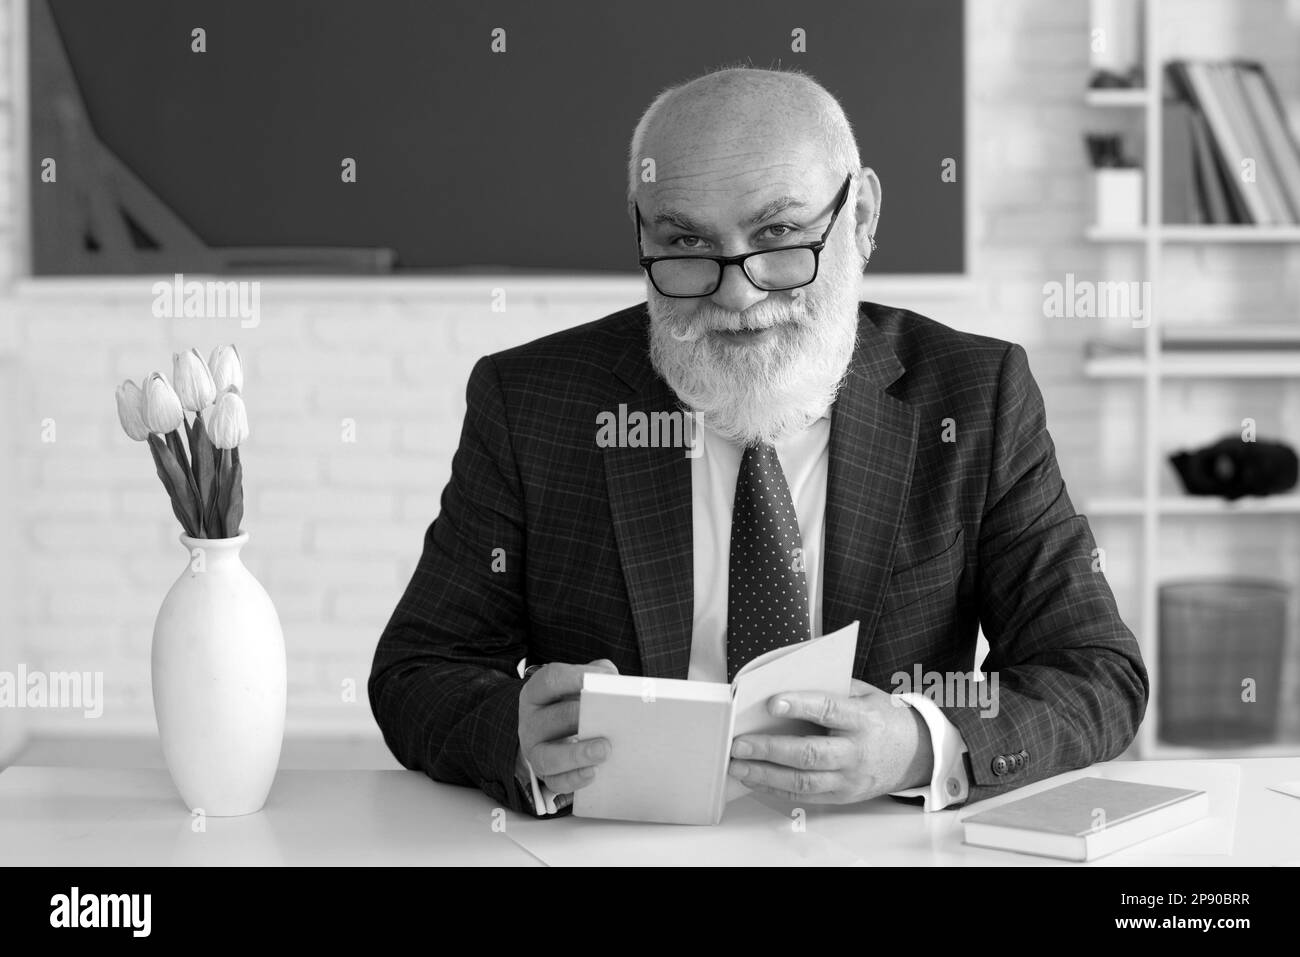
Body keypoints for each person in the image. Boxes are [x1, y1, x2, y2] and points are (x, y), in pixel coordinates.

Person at [369, 66, 1148, 816]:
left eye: (778, 233)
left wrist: (919, 745)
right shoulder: (532, 401)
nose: (737, 293)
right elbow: (418, 670)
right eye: (685, 244)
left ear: (864, 219)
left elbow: (1098, 673)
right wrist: (511, 732)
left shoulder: (978, 396)